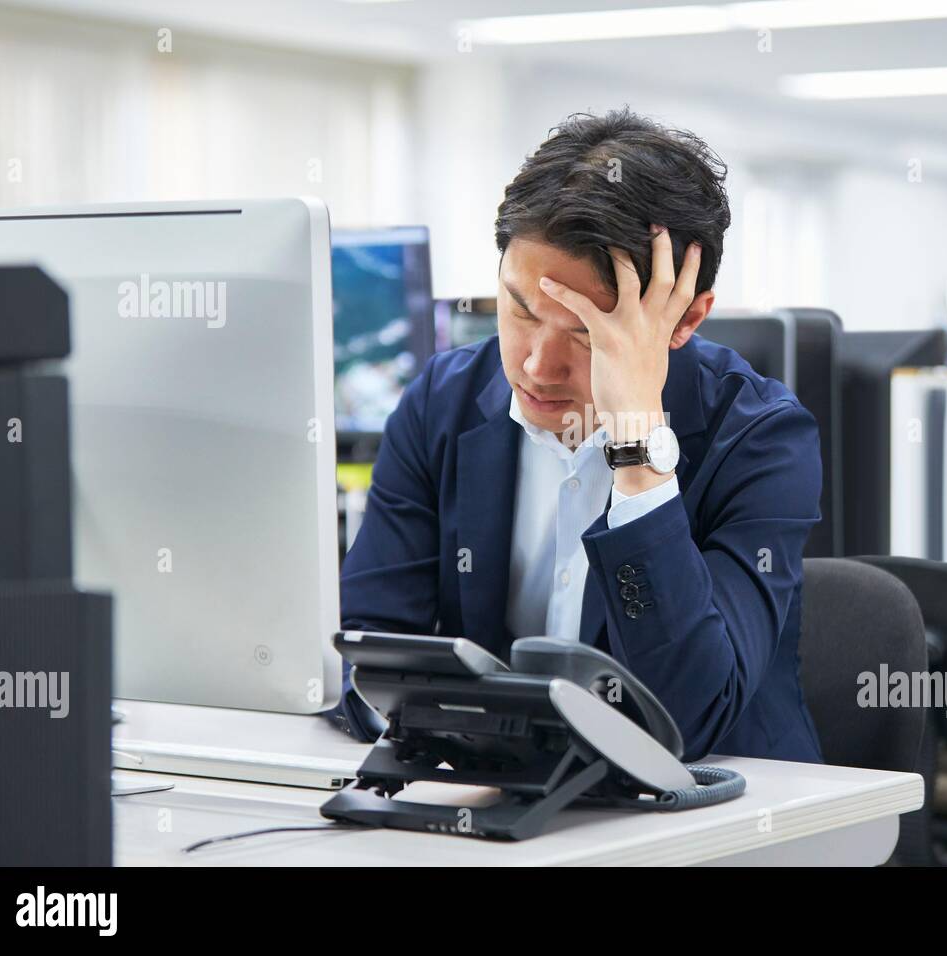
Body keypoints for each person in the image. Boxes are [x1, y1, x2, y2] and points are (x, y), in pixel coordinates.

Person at [331, 107, 823, 762]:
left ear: (685, 319)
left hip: (724, 817)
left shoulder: (761, 439)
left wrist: (638, 448)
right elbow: (366, 650)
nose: (537, 365)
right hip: (501, 798)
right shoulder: (440, 404)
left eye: (588, 333)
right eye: (520, 309)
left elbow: (691, 716)